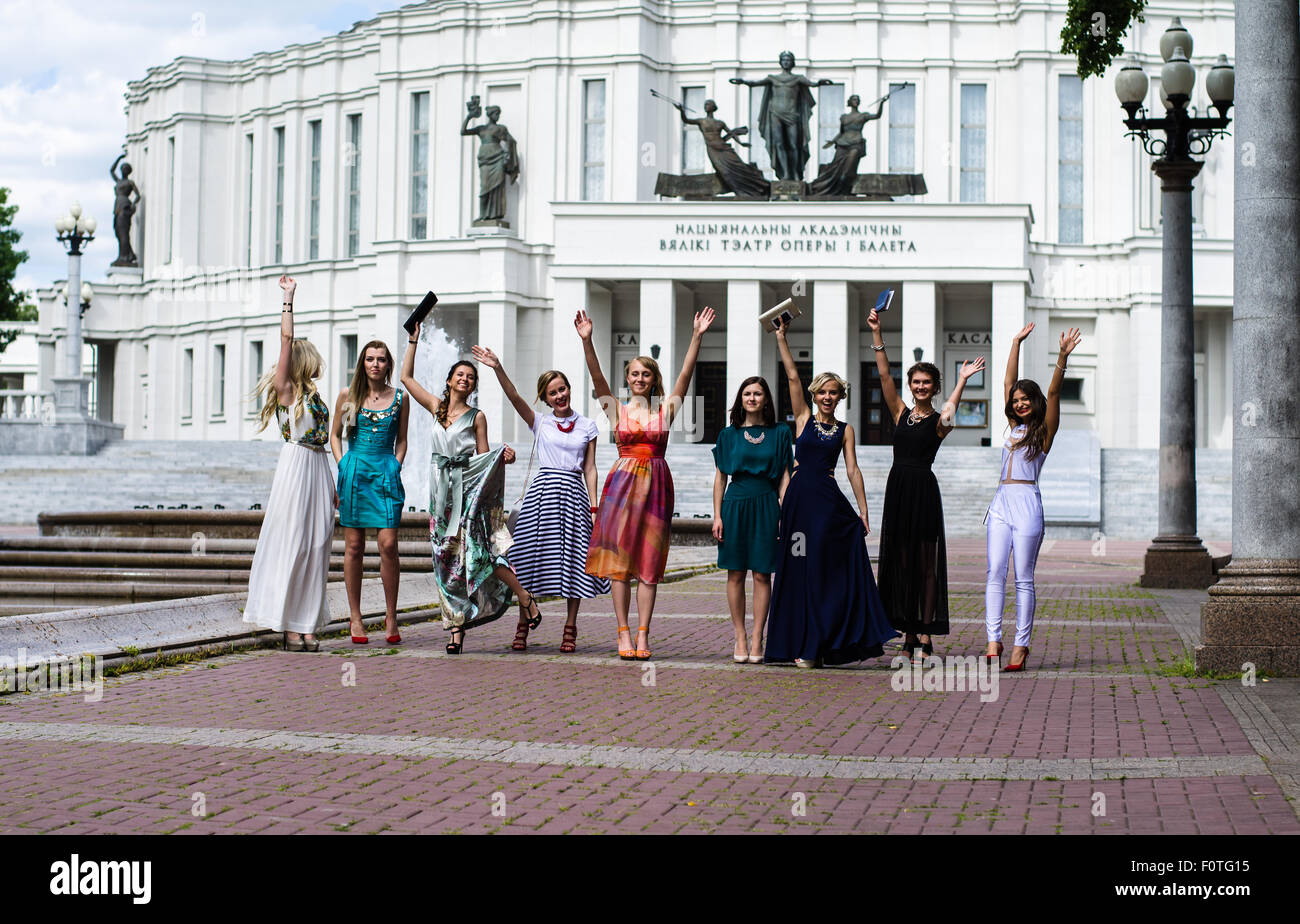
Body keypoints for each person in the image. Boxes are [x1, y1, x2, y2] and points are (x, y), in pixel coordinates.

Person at [578, 305, 715, 660]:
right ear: (628, 378)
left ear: (653, 379)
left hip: (656, 487)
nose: (640, 379)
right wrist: (587, 341)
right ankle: (622, 632)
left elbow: (685, 374)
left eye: (646, 374)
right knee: (620, 563)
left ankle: (643, 634)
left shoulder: (665, 410)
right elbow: (597, 378)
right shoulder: (616, 410)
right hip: (621, 488)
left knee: (649, 564)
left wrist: (697, 337)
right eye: (634, 374)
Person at [764, 319, 895, 668]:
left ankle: (823, 643)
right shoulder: (803, 418)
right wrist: (782, 338)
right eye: (822, 391)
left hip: (827, 502)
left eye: (833, 392)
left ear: (840, 397)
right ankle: (801, 644)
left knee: (823, 569)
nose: (827, 397)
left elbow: (852, 470)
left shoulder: (846, 430)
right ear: (814, 395)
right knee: (799, 567)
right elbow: (792, 377)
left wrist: (863, 511)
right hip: (799, 501)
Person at [400, 324, 536, 654]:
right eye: (460, 374)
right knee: (444, 561)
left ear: (473, 386)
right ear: (449, 381)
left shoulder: (477, 417)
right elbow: (406, 378)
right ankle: (455, 628)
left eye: (471, 377)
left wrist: (503, 458)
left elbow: (484, 458)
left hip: (466, 493)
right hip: (440, 495)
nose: (465, 379)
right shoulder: (436, 407)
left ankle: (524, 596)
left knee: (480, 553)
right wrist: (413, 339)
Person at [471, 346, 610, 653]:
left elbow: (590, 468)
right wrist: (497, 367)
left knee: (575, 561)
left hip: (574, 496)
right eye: (552, 393)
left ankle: (570, 627)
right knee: (527, 558)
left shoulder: (588, 426)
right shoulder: (540, 422)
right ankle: (523, 623)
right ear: (546, 399)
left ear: (569, 389)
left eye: (562, 389)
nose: (559, 396)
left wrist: (594, 506)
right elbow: (514, 397)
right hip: (542, 495)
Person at [868, 307, 985, 658]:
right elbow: (884, 375)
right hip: (898, 489)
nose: (920, 386)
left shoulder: (939, 421)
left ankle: (925, 634)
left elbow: (950, 409)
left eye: (926, 383)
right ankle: (907, 633)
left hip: (923, 491)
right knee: (903, 565)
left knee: (926, 566)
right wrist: (877, 332)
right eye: (916, 382)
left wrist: (962, 380)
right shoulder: (900, 412)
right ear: (910, 385)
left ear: (934, 387)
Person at [243, 275, 336, 651]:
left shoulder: (314, 396)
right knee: (295, 541)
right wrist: (288, 298)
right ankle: (288, 624)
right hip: (296, 464)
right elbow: (285, 339)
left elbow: (325, 439)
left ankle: (307, 623)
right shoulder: (286, 391)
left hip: (318, 465)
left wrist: (332, 483)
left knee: (317, 544)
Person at [985, 323, 1083, 672]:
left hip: (1027, 503)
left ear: (1034, 401)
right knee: (995, 571)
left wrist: (1062, 357)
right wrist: (1014, 343)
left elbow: (1054, 393)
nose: (1020, 403)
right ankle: (993, 640)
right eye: (1016, 401)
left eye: (1025, 399)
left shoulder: (1043, 432)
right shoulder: (1013, 426)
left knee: (1023, 578)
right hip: (1000, 503)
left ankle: (1020, 645)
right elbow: (1007, 383)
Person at [330, 340, 409, 646]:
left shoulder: (400, 397)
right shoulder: (349, 396)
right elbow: (336, 435)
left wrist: (396, 464)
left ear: (388, 364)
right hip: (355, 473)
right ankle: (356, 617)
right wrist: (343, 464)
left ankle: (391, 615)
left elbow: (402, 439)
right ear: (362, 363)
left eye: (381, 359)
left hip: (385, 473)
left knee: (388, 544)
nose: (375, 364)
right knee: (354, 546)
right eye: (370, 359)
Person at [711, 376, 792, 663]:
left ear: (766, 399)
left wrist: (784, 511)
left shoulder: (780, 432)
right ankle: (740, 636)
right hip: (735, 504)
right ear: (741, 399)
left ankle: (758, 636)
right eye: (747, 393)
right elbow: (720, 478)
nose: (752, 398)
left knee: (761, 573)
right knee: (735, 572)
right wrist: (717, 515)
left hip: (767, 503)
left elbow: (785, 476)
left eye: (758, 393)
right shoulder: (728, 434)